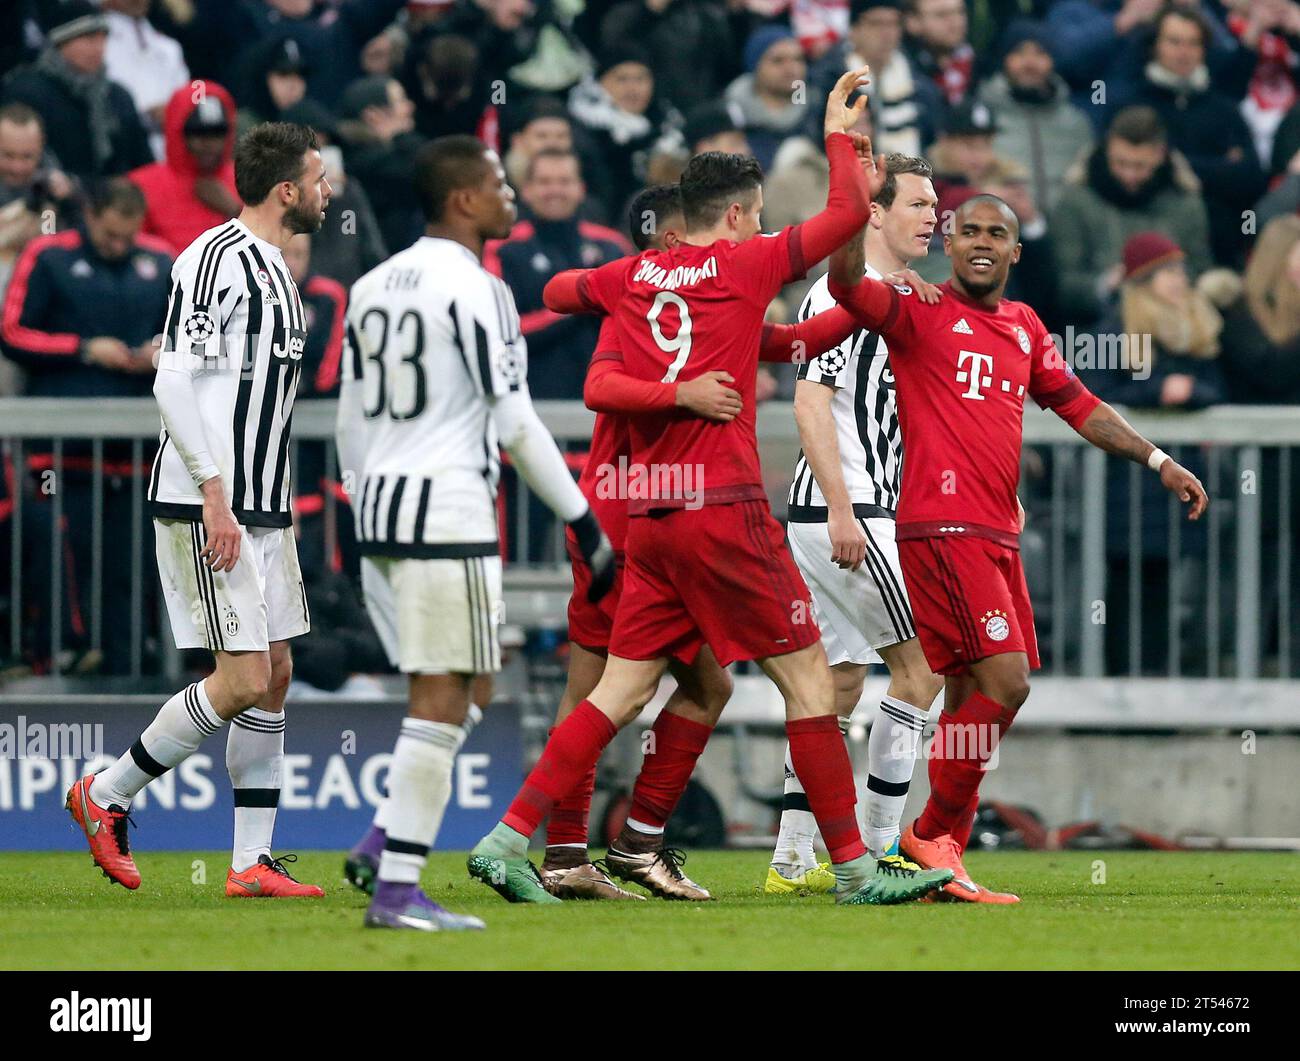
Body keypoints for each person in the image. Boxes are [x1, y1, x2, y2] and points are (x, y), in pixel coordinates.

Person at [467, 69, 954, 908]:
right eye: (758, 213)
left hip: (648, 515)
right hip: (721, 507)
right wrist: (840, 135)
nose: (764, 226)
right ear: (735, 216)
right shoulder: (743, 265)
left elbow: (552, 291)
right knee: (808, 683)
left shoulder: (633, 277)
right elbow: (842, 219)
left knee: (620, 689)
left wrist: (639, 291)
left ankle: (509, 839)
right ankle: (852, 869)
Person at [826, 188, 1207, 900]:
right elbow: (847, 283)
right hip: (942, 527)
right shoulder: (918, 309)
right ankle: (926, 837)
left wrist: (1159, 460)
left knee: (974, 696)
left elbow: (1080, 405)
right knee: (1008, 682)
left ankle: (941, 861)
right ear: (948, 241)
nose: (979, 242)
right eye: (966, 230)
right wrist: (853, 193)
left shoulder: (1025, 326)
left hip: (997, 531)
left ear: (1014, 249)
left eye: (994, 233)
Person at [541, 184, 864, 899]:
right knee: (600, 684)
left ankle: (624, 845)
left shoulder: (694, 306)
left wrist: (875, 303)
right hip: (629, 514)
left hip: (656, 512)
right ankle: (572, 850)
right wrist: (681, 391)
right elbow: (598, 382)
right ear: (665, 244)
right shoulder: (638, 303)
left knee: (694, 681)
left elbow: (793, 342)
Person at [333, 135, 616, 931]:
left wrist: (361, 500)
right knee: (443, 693)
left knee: (469, 685)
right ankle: (395, 889)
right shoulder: (481, 287)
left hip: (382, 507)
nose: (511, 193)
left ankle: (381, 843)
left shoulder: (373, 283)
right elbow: (517, 422)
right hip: (446, 507)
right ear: (463, 199)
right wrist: (585, 521)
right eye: (497, 182)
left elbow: (352, 414)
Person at [64, 122, 334, 900]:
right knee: (243, 678)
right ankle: (106, 792)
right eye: (317, 178)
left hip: (263, 505)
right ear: (287, 189)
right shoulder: (213, 258)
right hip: (206, 499)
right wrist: (214, 491)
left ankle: (251, 861)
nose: (326, 191)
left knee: (276, 673)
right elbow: (173, 380)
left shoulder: (279, 269)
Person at [767, 153, 945, 894]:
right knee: (923, 668)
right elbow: (810, 402)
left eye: (937, 203)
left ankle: (791, 858)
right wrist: (844, 507)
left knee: (836, 685)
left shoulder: (900, 294)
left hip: (839, 510)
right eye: (917, 203)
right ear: (874, 212)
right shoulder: (839, 295)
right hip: (850, 509)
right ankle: (879, 849)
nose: (934, 215)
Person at [0, 178, 171, 672]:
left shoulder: (160, 260)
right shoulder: (48, 256)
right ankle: (61, 656)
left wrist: (159, 350)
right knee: (67, 556)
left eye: (128, 237)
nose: (120, 246)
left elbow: (190, 332)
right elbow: (12, 333)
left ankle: (133, 664)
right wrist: (82, 348)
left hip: (138, 451)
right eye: (111, 236)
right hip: (62, 450)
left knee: (131, 563)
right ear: (91, 217)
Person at [1050, 105, 1211, 327]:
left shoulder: (1185, 204)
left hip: (1172, 327)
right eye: (1121, 163)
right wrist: (1105, 284)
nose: (1129, 175)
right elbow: (1059, 283)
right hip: (1095, 331)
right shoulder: (1076, 201)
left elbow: (1200, 268)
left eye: (1140, 165)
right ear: (1107, 150)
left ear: (1160, 155)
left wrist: (1166, 280)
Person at [2, 0, 152, 179]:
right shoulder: (27, 91)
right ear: (61, 42)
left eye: (103, 38)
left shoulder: (118, 96)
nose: (98, 48)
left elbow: (143, 163)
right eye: (89, 39)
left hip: (115, 200)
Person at [975, 18, 1094, 216]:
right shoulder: (983, 117)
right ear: (1004, 59)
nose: (1030, 63)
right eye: (1019, 53)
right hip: (1002, 225)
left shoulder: (1076, 122)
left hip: (1066, 230)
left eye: (1040, 53)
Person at [811, 0, 941, 158]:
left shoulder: (920, 84)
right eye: (876, 24)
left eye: (893, 24)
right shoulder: (828, 81)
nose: (886, 33)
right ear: (854, 29)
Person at [129, 82, 240, 256]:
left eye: (217, 132)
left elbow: (281, 255)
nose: (209, 143)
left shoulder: (250, 179)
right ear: (177, 131)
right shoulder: (141, 185)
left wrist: (236, 213)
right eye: (198, 132)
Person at [101, 0, 190, 161]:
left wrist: (173, 112)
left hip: (173, 145)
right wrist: (145, 114)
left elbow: (186, 99)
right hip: (123, 149)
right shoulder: (99, 46)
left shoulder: (169, 47)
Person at [724, 26, 810, 172]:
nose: (791, 69)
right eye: (778, 61)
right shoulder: (729, 118)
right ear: (755, 66)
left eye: (798, 59)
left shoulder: (819, 111)